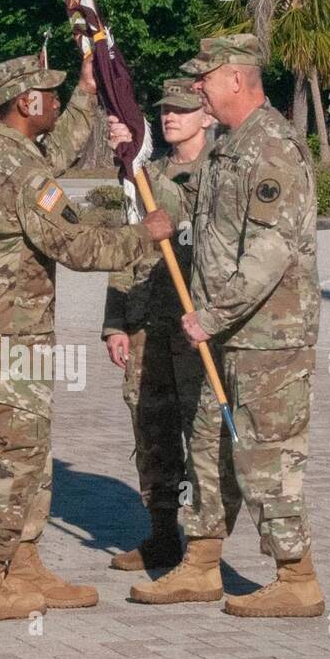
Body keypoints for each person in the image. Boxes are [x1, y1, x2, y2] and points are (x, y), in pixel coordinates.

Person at [0, 53, 172, 622]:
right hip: (9, 334)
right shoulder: (24, 174)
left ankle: (23, 564)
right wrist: (142, 234)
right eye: (48, 93)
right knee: (13, 460)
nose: (53, 98)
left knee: (19, 452)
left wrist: (86, 96)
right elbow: (78, 247)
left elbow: (52, 150)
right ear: (25, 103)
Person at [112, 34, 323, 617]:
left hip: (267, 337)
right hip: (223, 334)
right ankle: (202, 564)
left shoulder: (272, 147)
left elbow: (269, 253)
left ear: (236, 78)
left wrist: (211, 315)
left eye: (204, 76)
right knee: (210, 448)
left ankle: (296, 575)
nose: (197, 86)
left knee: (264, 453)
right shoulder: (232, 147)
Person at [101, 78, 214, 572]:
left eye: (183, 110)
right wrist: (115, 323)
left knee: (204, 436)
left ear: (207, 116)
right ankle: (163, 534)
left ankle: (206, 545)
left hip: (197, 327)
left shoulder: (220, 173)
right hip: (149, 323)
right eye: (165, 109)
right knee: (153, 432)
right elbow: (128, 246)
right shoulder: (144, 176)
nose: (170, 117)